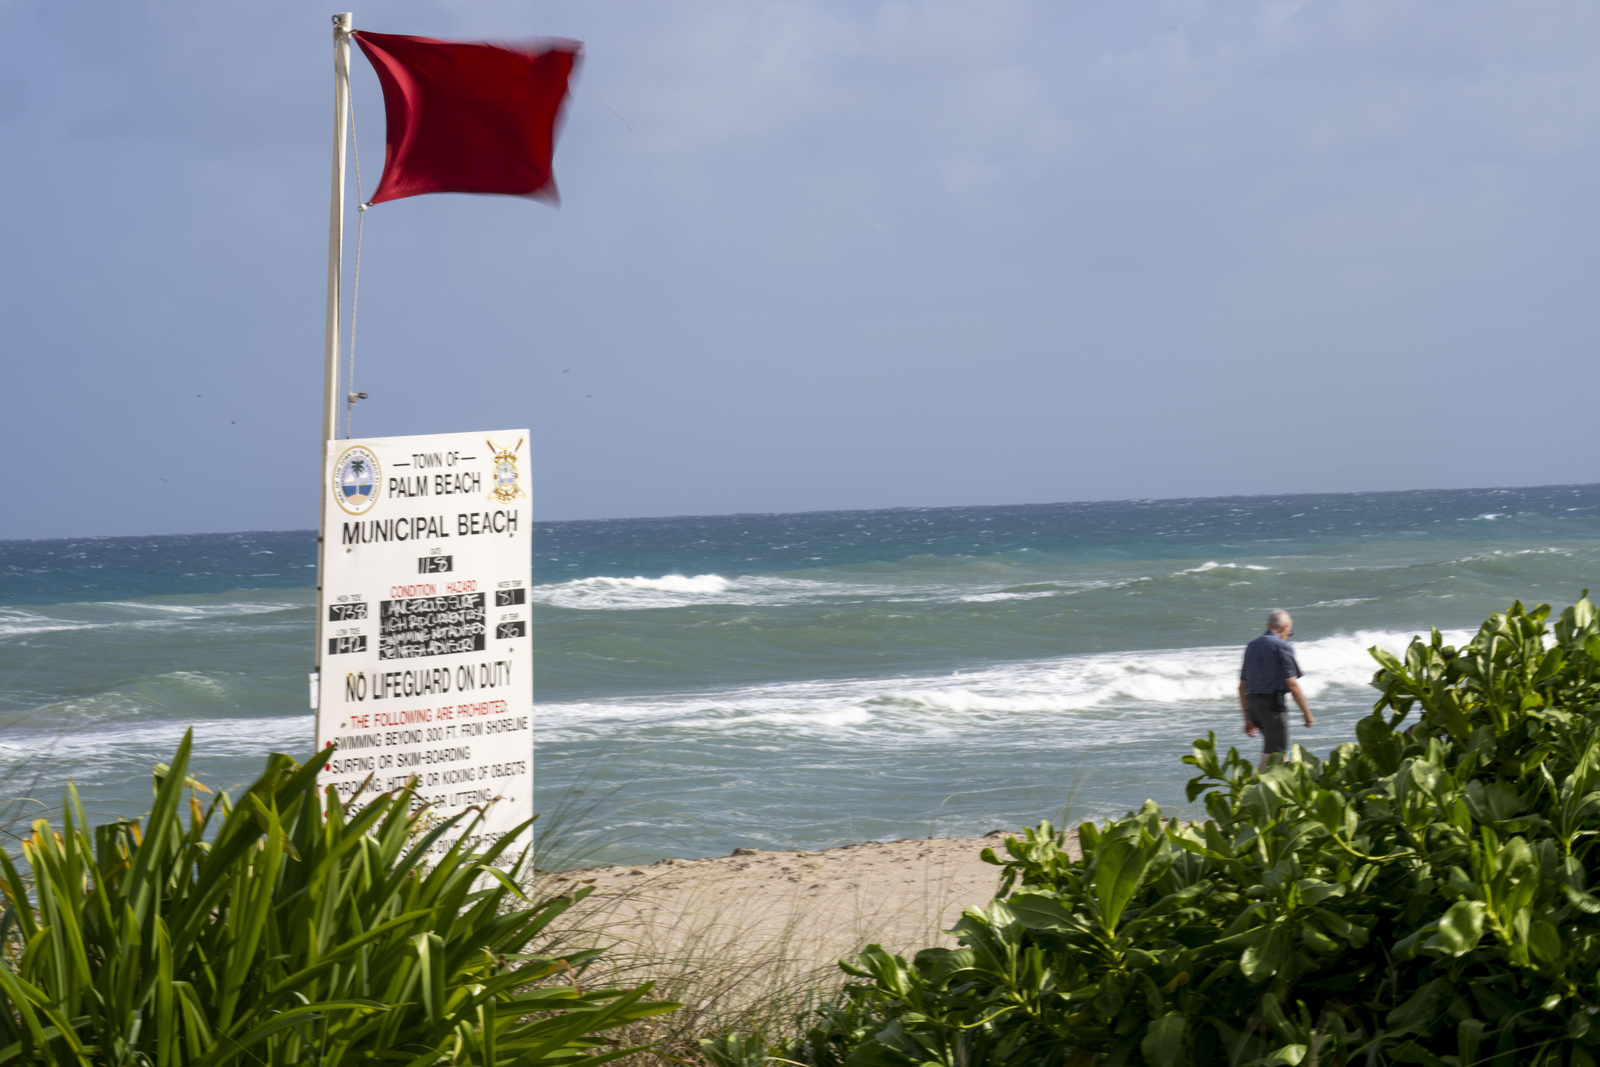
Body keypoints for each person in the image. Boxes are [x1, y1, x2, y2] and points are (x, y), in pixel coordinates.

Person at [1238, 609, 1314, 771]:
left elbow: (1242, 687)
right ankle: (1250, 787)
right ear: (1284, 627)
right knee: (1273, 757)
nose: (1287, 636)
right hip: (1272, 708)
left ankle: (1286, 785)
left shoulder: (1251, 646)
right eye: (1289, 633)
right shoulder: (1282, 646)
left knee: (1280, 754)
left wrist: (1247, 718)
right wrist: (1306, 713)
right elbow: (1292, 685)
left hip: (1254, 706)